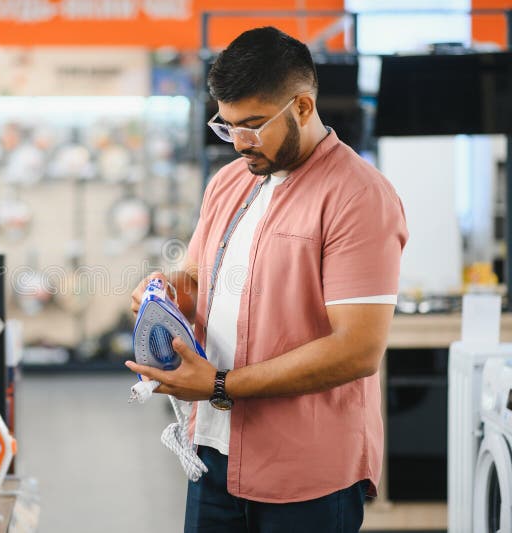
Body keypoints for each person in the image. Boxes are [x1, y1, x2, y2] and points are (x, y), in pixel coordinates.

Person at [127, 26, 408, 532]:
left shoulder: (358, 196)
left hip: (306, 473)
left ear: (302, 107)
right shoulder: (232, 180)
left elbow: (358, 348)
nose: (238, 143)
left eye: (253, 125)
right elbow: (196, 277)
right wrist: (168, 293)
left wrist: (218, 385)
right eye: (226, 125)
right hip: (214, 455)